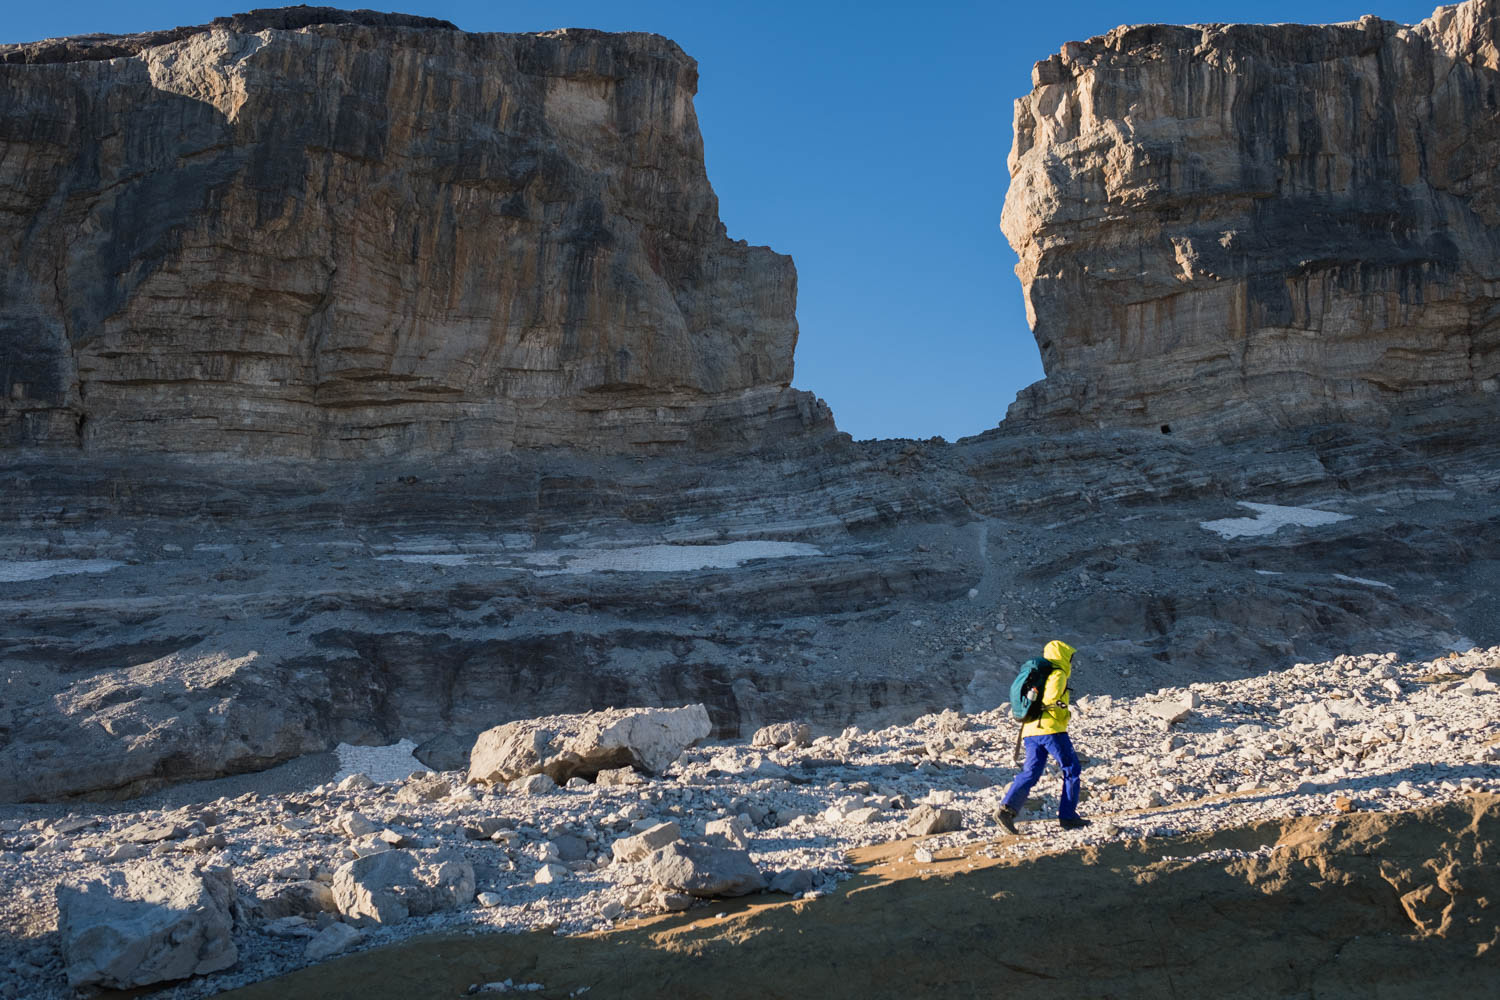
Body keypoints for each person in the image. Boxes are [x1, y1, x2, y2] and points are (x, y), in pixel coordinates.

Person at [996, 639, 1089, 833]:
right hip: (1051, 729)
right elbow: (1051, 699)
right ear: (1063, 657)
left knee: (1031, 772)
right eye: (1070, 657)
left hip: (1030, 731)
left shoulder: (1041, 674)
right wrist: (1065, 714)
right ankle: (1068, 817)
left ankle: (1006, 810)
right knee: (1071, 769)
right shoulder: (1058, 673)